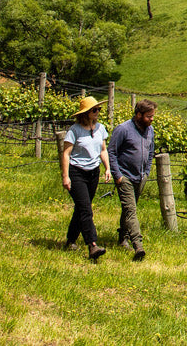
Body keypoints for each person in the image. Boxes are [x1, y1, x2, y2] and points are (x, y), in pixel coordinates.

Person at [60, 95, 111, 261]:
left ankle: (70, 240)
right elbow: (66, 154)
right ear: (86, 113)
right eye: (94, 110)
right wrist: (66, 176)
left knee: (82, 208)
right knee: (86, 210)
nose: (98, 112)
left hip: (93, 172)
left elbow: (103, 150)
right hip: (77, 172)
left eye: (98, 109)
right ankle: (92, 245)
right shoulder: (74, 131)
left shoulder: (100, 128)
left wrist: (107, 168)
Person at [108, 99, 156, 261]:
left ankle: (122, 238)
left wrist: (147, 172)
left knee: (129, 209)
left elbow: (150, 153)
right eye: (149, 116)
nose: (152, 119)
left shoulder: (150, 131)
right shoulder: (123, 129)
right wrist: (118, 175)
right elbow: (112, 153)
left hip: (141, 176)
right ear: (138, 115)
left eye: (152, 116)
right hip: (125, 177)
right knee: (131, 210)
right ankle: (138, 246)